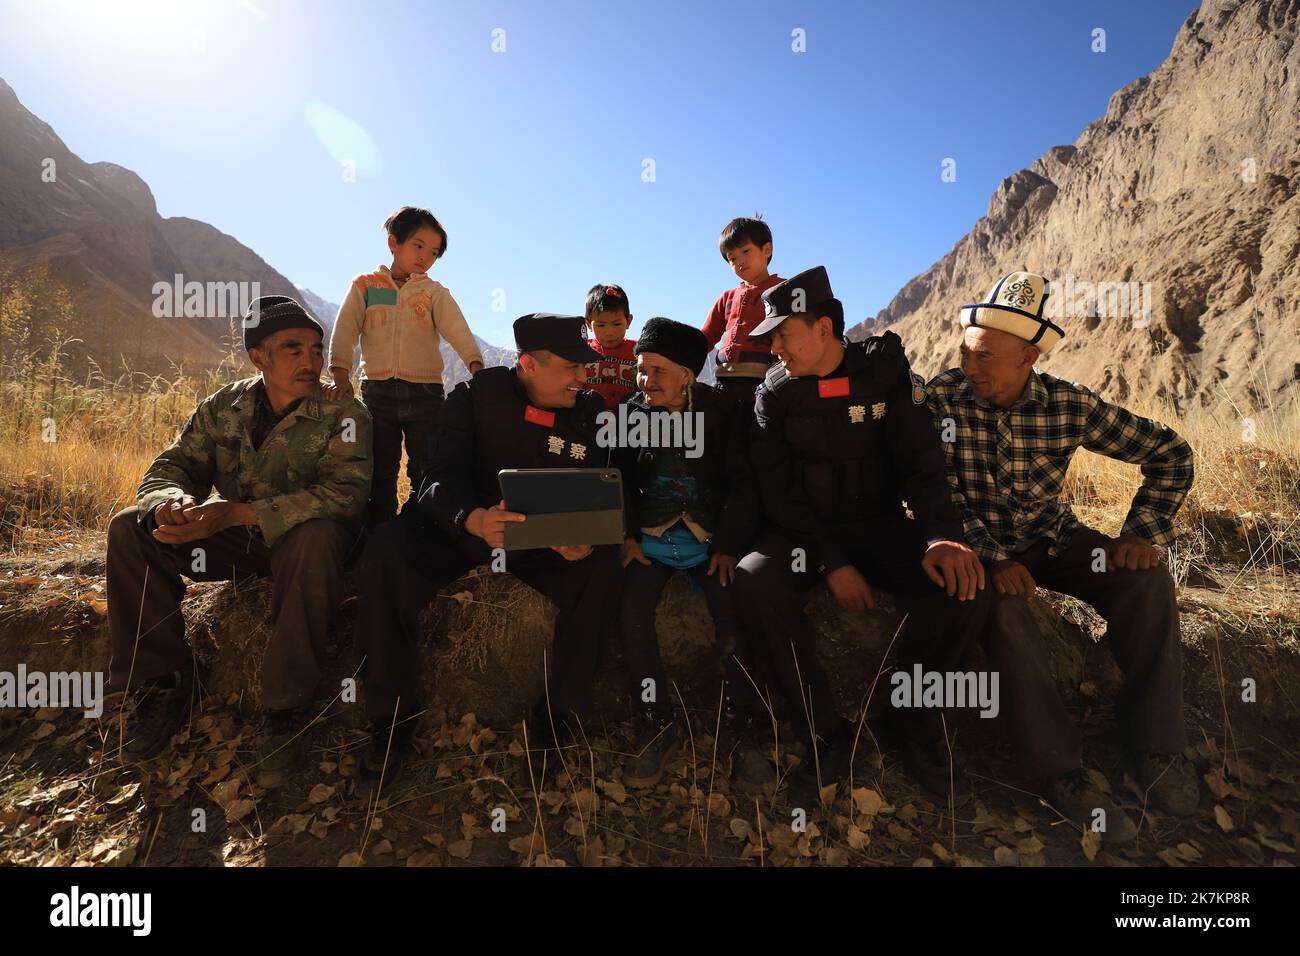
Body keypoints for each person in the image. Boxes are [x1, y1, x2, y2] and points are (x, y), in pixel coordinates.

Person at [926, 270, 1199, 842]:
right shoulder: (940, 400)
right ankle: (1063, 771)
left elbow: (1170, 452)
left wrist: (1141, 533)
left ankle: (1157, 747)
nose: (970, 368)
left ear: (1028, 356)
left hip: (1054, 541)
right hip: (982, 549)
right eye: (967, 353)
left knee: (1144, 583)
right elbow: (934, 492)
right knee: (999, 608)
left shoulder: (1069, 406)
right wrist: (995, 557)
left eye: (985, 358)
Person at [733, 266, 991, 809]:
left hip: (879, 526)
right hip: (804, 534)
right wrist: (830, 563)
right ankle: (825, 733)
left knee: (962, 586)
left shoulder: (885, 375)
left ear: (824, 327)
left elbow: (922, 466)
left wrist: (941, 537)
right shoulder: (773, 396)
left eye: (783, 332)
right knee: (754, 581)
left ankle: (910, 723)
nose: (773, 345)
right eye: (770, 335)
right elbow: (779, 493)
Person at [104, 295, 372, 788]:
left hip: (305, 545)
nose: (311, 361)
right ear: (258, 357)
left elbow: (345, 496)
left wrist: (236, 513)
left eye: (316, 349)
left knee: (314, 538)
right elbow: (172, 466)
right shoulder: (224, 406)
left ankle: (284, 708)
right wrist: (170, 503)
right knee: (129, 528)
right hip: (232, 539)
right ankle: (161, 682)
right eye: (293, 349)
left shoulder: (343, 411)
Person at [350, 313, 622, 796]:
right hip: (462, 528)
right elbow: (432, 475)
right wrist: (470, 517)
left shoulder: (589, 413)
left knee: (600, 568)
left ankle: (558, 717)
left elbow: (596, 488)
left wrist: (573, 531)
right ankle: (391, 719)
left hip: (535, 539)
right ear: (529, 365)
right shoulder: (475, 398)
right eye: (571, 367)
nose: (583, 377)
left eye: (585, 367)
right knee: (385, 554)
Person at [612, 318, 769, 791]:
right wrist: (625, 535)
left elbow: (744, 484)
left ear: (687, 375)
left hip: (708, 540)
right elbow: (615, 480)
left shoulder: (723, 414)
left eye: (657, 371)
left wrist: (727, 546)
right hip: (651, 538)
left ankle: (743, 731)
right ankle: (657, 724)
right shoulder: (630, 415)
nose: (646, 381)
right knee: (632, 612)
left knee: (734, 613)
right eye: (641, 370)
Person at [325, 206, 484, 525]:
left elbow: (458, 332)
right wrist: (340, 372)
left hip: (425, 392)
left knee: (425, 465)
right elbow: (346, 329)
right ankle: (380, 530)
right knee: (381, 465)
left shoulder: (434, 293)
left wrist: (477, 367)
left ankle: (419, 526)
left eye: (434, 252)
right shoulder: (365, 286)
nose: (426, 256)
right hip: (377, 392)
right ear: (393, 243)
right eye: (419, 245)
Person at [701, 216, 785, 407]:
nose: (740, 262)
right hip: (723, 380)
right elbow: (706, 336)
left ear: (767, 250)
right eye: (732, 258)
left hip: (765, 380)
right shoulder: (727, 297)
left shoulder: (783, 290)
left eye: (746, 251)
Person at [582, 284, 639, 410]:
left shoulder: (638, 351)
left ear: (628, 321)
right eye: (601, 325)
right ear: (588, 324)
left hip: (628, 423)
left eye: (617, 324)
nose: (609, 332)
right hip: (589, 423)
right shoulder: (582, 351)